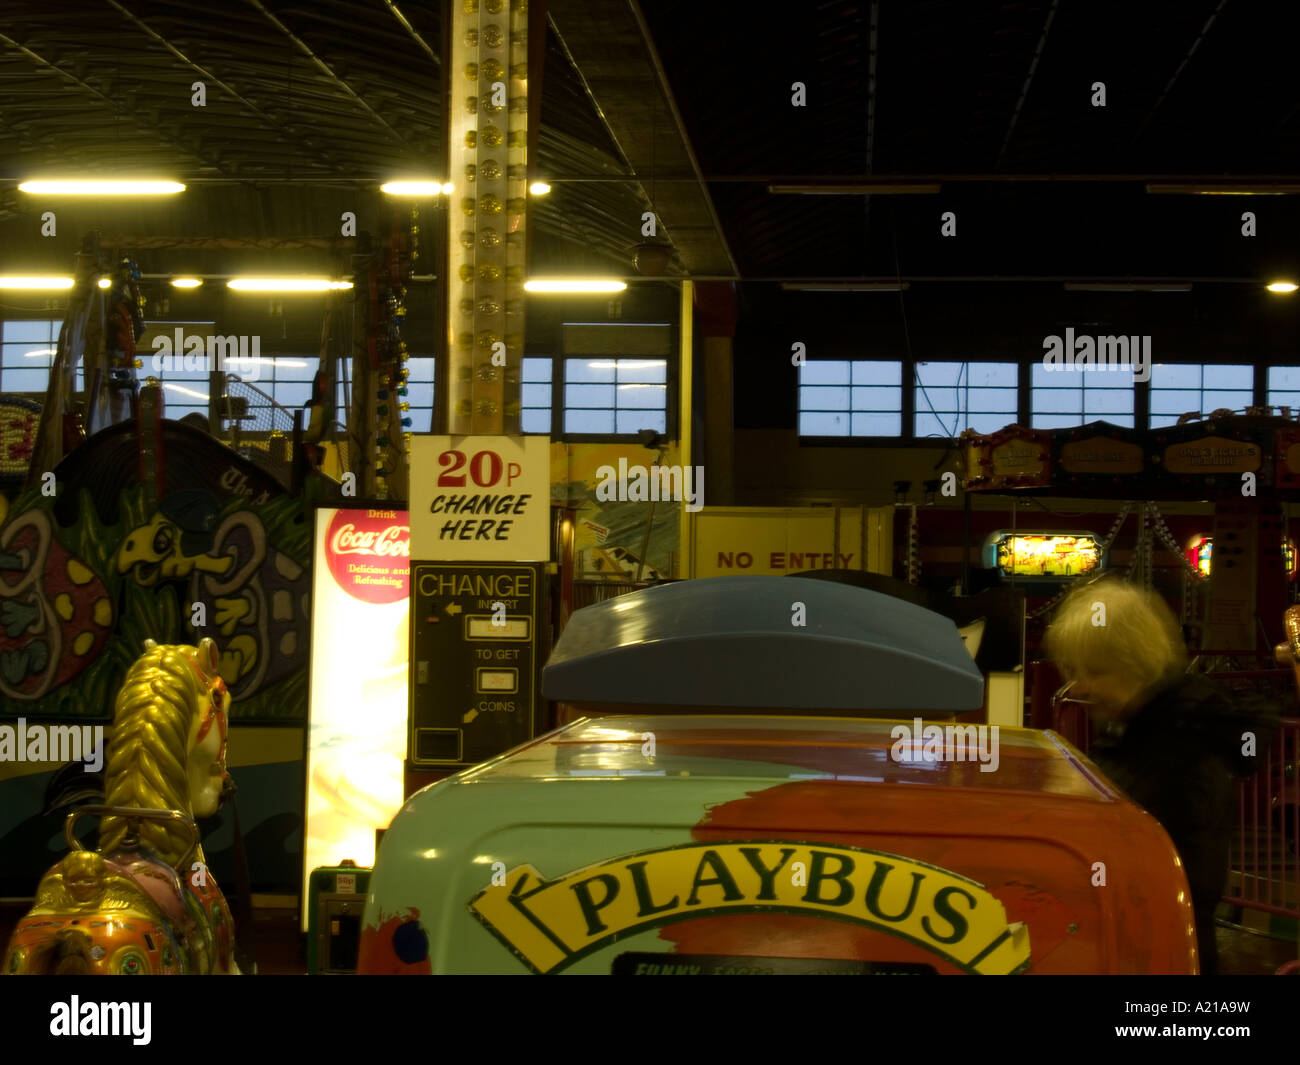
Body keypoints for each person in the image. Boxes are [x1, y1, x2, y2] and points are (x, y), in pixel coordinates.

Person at [1043, 576, 1277, 975]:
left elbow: (1152, 861)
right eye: (1075, 670)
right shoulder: (1140, 724)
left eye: (1095, 671)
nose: (1080, 686)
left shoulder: (1180, 739)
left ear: (1133, 663)